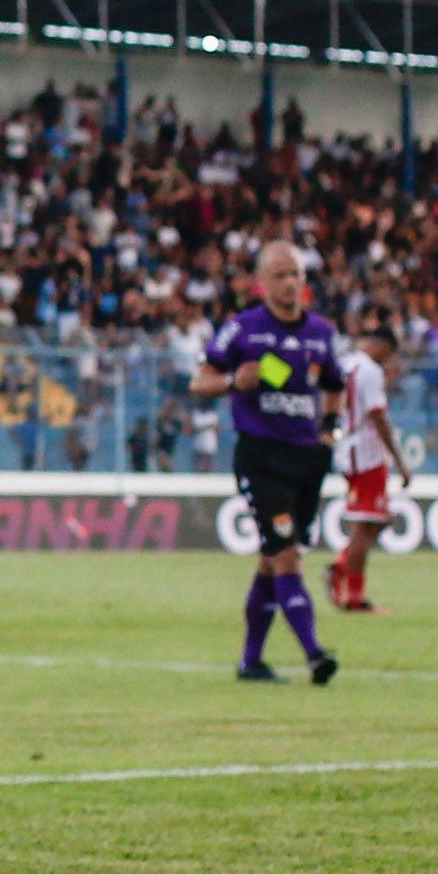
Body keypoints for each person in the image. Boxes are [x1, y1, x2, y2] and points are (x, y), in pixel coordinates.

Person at [189, 242, 342, 685]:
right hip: (262, 457)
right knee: (288, 556)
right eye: (280, 275)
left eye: (295, 273)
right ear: (263, 283)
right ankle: (315, 655)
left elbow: (334, 384)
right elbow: (200, 382)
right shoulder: (243, 330)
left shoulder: (320, 333)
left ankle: (251, 661)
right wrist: (233, 380)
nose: (290, 282)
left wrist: (329, 428)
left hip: (307, 459)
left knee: (271, 560)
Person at [328, 324, 410, 614]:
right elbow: (378, 416)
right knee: (365, 525)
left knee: (378, 518)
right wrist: (399, 460)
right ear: (382, 346)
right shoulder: (370, 371)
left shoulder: (346, 363)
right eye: (388, 355)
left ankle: (340, 567)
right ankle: (355, 597)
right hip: (366, 453)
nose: (387, 361)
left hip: (348, 448)